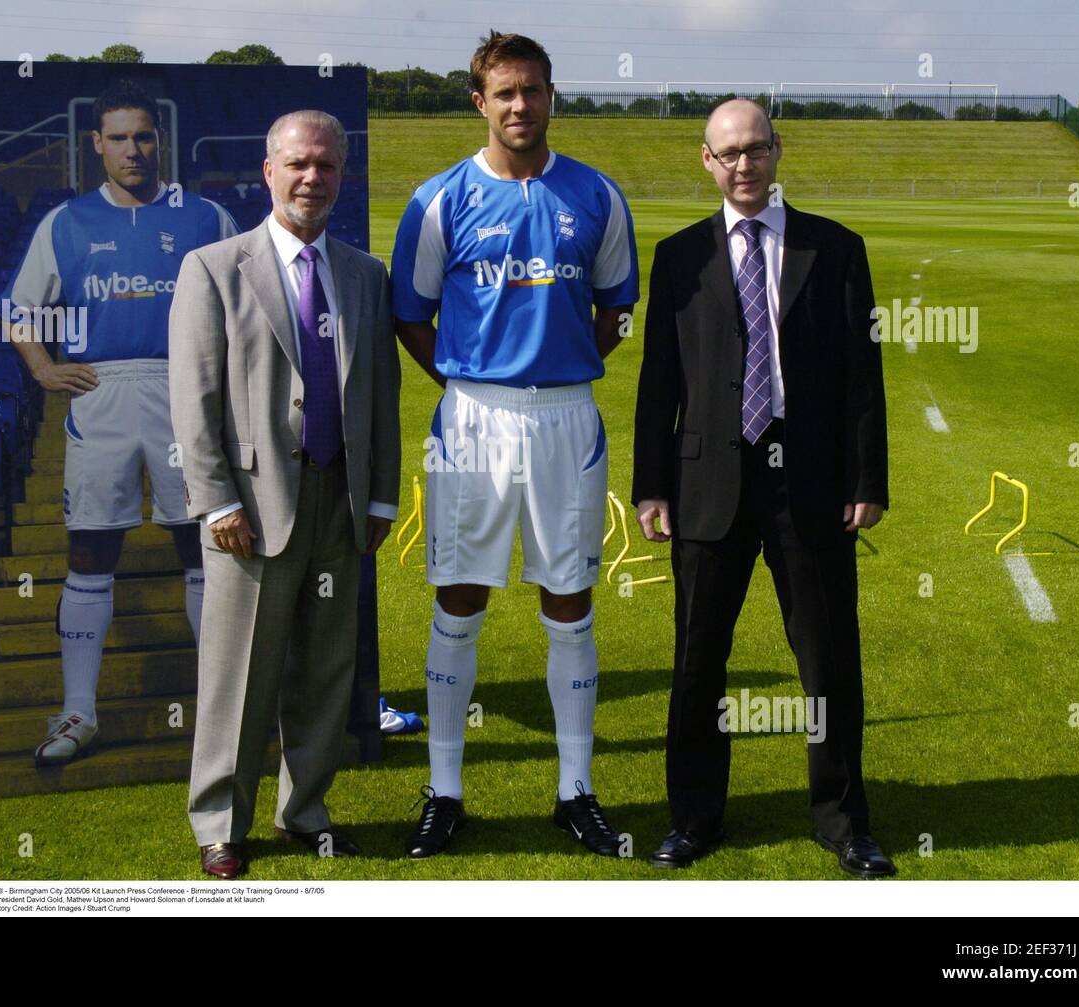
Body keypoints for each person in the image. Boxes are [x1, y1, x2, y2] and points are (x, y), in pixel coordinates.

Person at [392, 31, 639, 858]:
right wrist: (475, 382)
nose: (519, 106)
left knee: (569, 600)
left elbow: (614, 313)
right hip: (471, 417)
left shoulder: (598, 196)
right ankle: (445, 790)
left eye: (532, 90)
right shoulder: (438, 200)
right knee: (459, 596)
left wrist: (552, 370)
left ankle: (576, 790)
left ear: (550, 95)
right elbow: (410, 315)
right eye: (503, 93)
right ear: (479, 101)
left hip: (567, 413)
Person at [632, 99, 894, 877]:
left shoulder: (836, 248)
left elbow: (862, 379)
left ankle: (844, 819)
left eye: (755, 149)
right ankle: (695, 817)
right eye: (728, 153)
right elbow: (659, 382)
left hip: (808, 482)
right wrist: (651, 485)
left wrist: (867, 477)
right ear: (705, 161)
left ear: (779, 150)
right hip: (708, 481)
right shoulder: (679, 255)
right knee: (697, 660)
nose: (742, 164)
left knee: (827, 659)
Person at [169, 110, 400, 880]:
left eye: (326, 166)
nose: (312, 178)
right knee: (239, 675)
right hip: (251, 514)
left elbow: (381, 398)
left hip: (341, 504)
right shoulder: (213, 267)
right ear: (268, 171)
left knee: (327, 672)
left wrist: (380, 500)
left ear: (341, 175)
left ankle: (306, 811)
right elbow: (193, 398)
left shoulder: (365, 275)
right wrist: (216, 500)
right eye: (298, 163)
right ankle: (219, 823)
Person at [5, 80, 238, 766]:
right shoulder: (66, 222)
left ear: (158, 141)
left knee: (202, 548)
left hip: (185, 390)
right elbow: (21, 310)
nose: (132, 149)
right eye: (118, 137)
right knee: (92, 550)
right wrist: (45, 370)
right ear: (96, 144)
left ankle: (219, 710)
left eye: (143, 136)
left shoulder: (207, 216)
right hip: (101, 391)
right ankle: (79, 711)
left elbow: (246, 304)